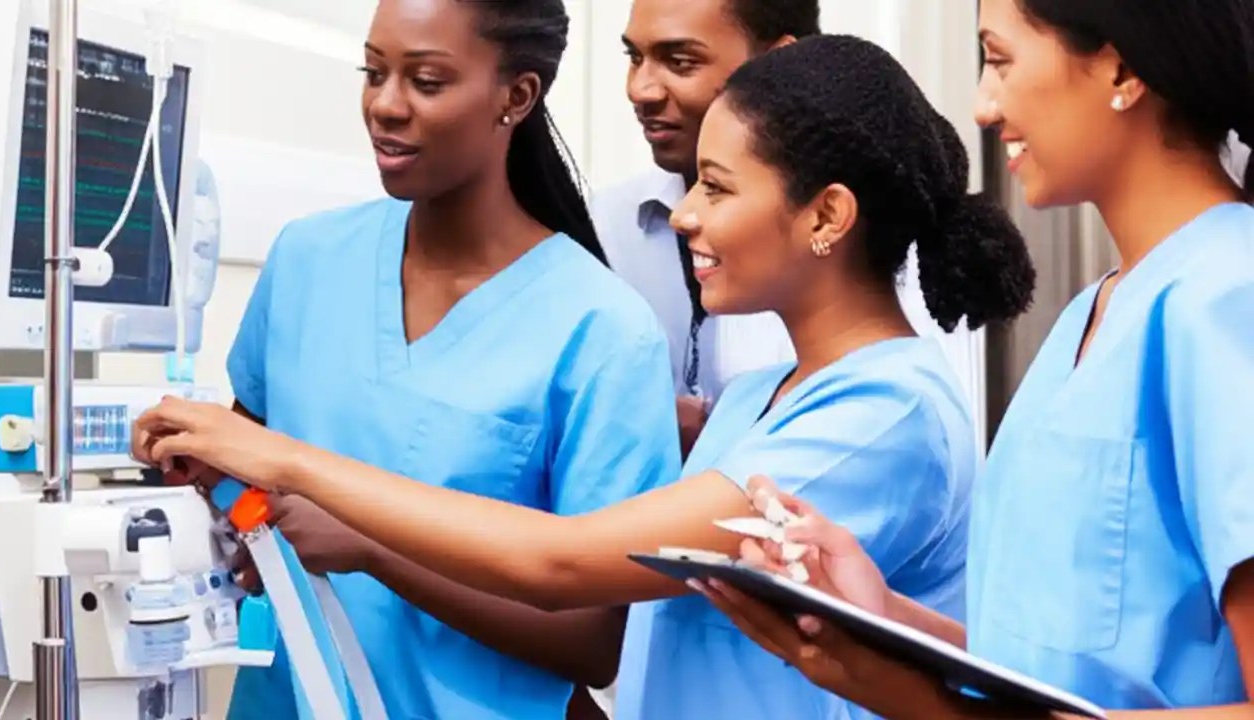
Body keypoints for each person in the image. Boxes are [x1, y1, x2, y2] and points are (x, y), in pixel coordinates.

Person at [136, 33, 1036, 720]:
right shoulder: (763, 402)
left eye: (718, 188)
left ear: (827, 216)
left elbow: (565, 563)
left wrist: (288, 462)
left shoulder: (882, 414)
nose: (683, 216)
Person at [698, 1, 1254, 717]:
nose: (984, 107)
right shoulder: (1092, 315)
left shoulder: (1225, 296)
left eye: (999, 60)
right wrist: (879, 617)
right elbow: (1055, 673)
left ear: (1119, 66)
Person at [197, 1, 683, 718]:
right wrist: (204, 477)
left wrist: (377, 552)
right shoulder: (307, 260)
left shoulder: (601, 331)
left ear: (516, 97)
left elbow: (600, 641)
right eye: (373, 72)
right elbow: (246, 475)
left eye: (425, 81)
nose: (385, 106)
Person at [593, 0, 820, 453]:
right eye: (634, 58)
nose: (641, 90)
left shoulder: (873, 248)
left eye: (680, 62)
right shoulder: (604, 227)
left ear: (777, 63)